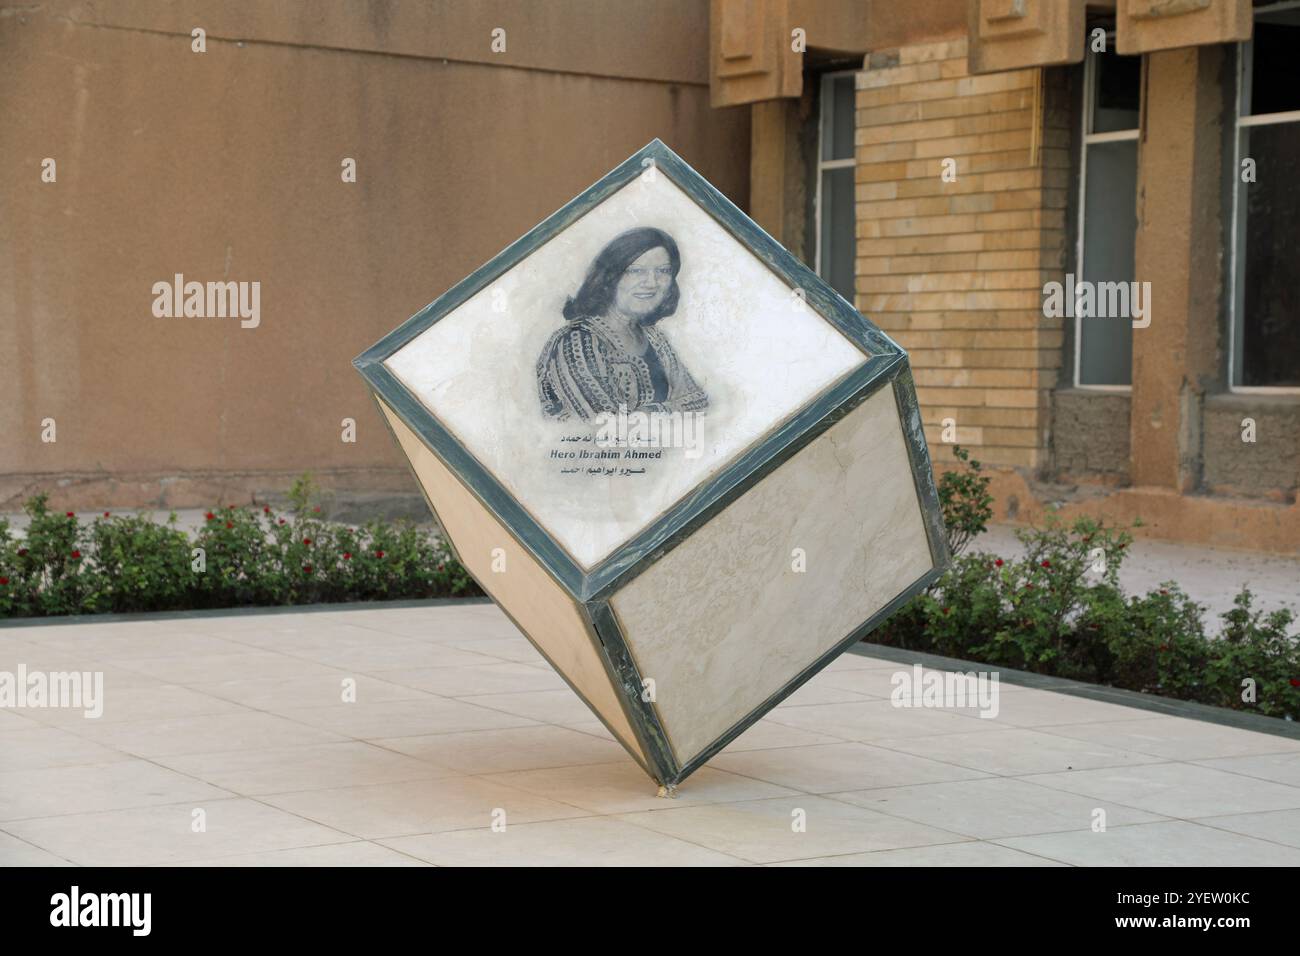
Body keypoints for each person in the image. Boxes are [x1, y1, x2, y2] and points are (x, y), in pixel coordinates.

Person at [537, 227, 708, 422]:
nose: (652, 283)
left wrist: (645, 414)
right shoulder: (575, 342)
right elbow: (606, 428)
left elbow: (700, 403)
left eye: (663, 271)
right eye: (636, 271)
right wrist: (668, 412)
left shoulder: (654, 337)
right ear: (609, 278)